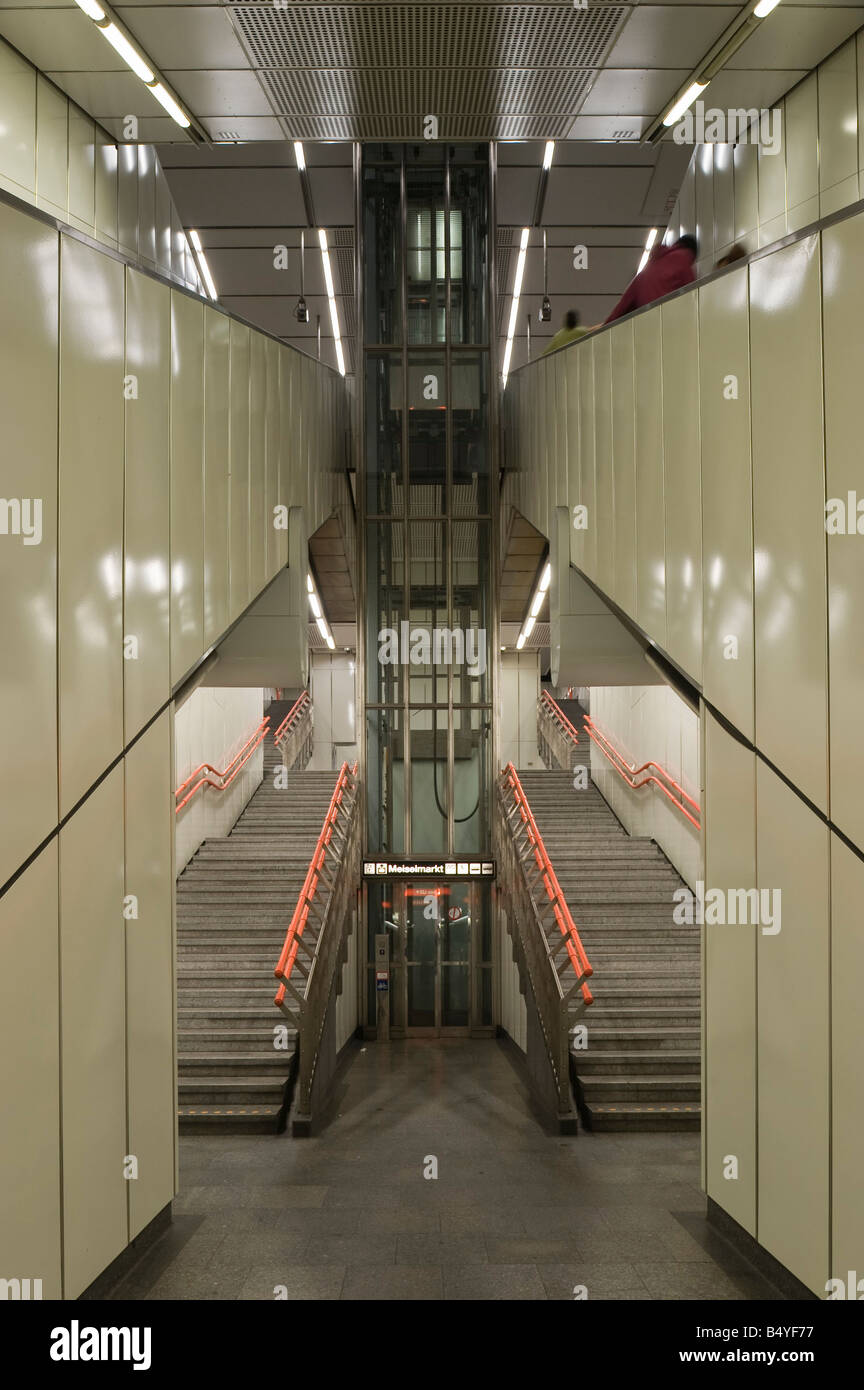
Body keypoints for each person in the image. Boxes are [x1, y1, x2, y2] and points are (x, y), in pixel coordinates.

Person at [604, 234, 699, 324]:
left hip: (646, 324)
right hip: (670, 322)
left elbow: (624, 303)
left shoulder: (649, 266)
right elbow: (693, 296)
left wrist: (605, 326)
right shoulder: (684, 258)